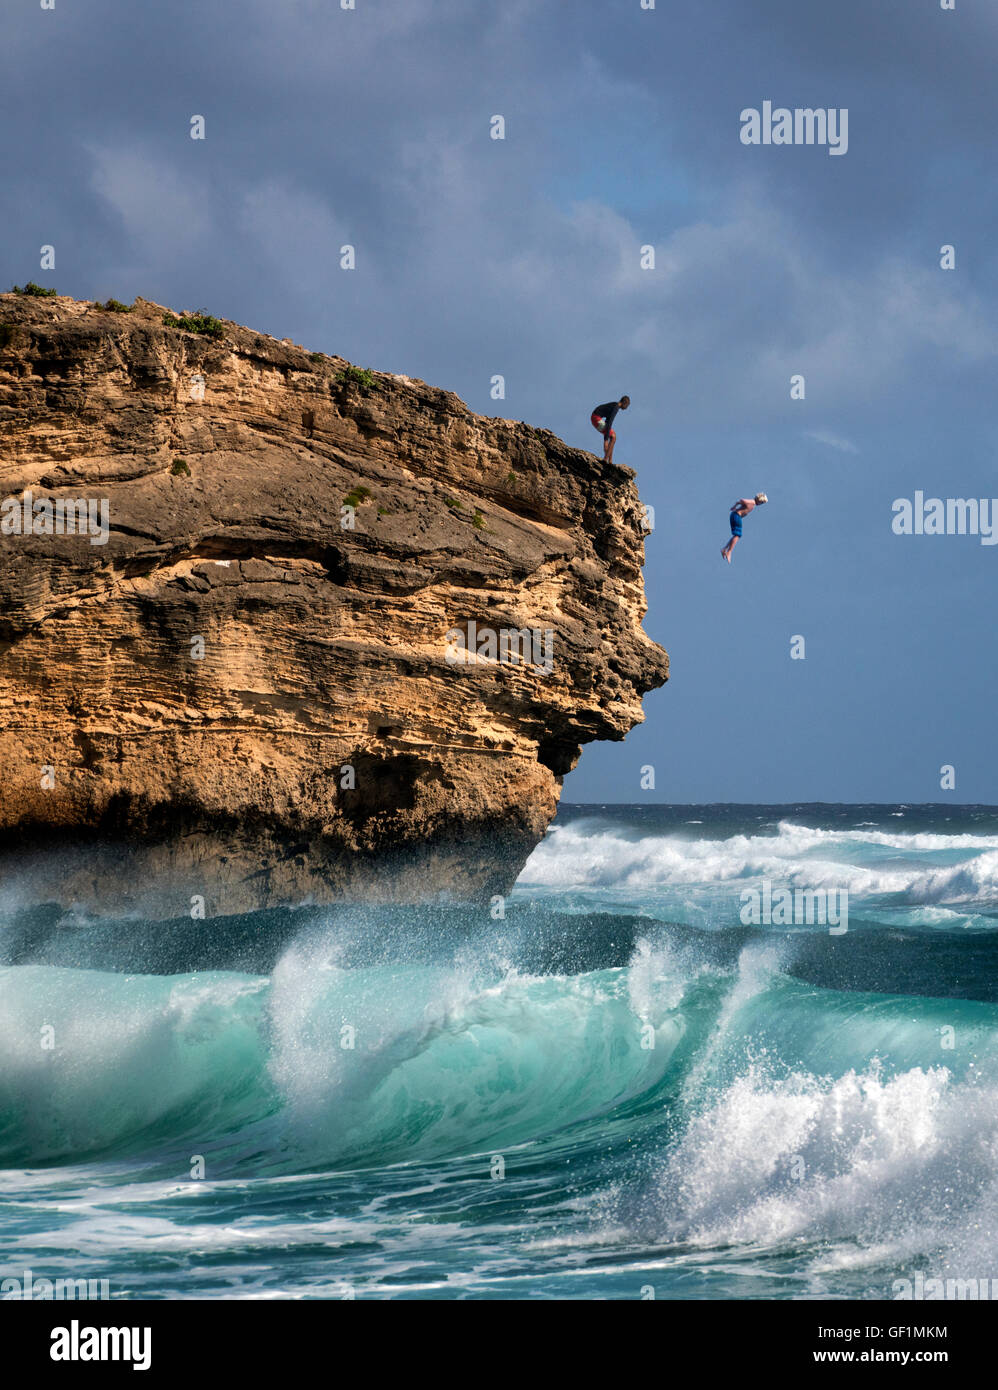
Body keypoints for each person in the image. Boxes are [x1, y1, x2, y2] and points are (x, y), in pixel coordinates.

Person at [722, 493, 767, 563]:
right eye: (761, 502)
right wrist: (735, 507)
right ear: (759, 500)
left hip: (736, 516)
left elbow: (740, 502)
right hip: (736, 516)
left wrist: (735, 506)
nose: (761, 504)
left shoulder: (753, 504)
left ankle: (725, 549)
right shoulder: (752, 502)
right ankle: (729, 551)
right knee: (737, 535)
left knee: (736, 535)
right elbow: (742, 500)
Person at [590, 396, 630, 464]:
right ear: (625, 403)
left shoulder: (615, 405)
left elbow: (607, 421)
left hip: (595, 418)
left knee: (612, 437)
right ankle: (606, 460)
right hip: (596, 418)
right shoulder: (616, 407)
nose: (627, 408)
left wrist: (606, 436)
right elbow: (610, 422)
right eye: (627, 405)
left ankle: (610, 461)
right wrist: (605, 440)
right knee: (613, 437)